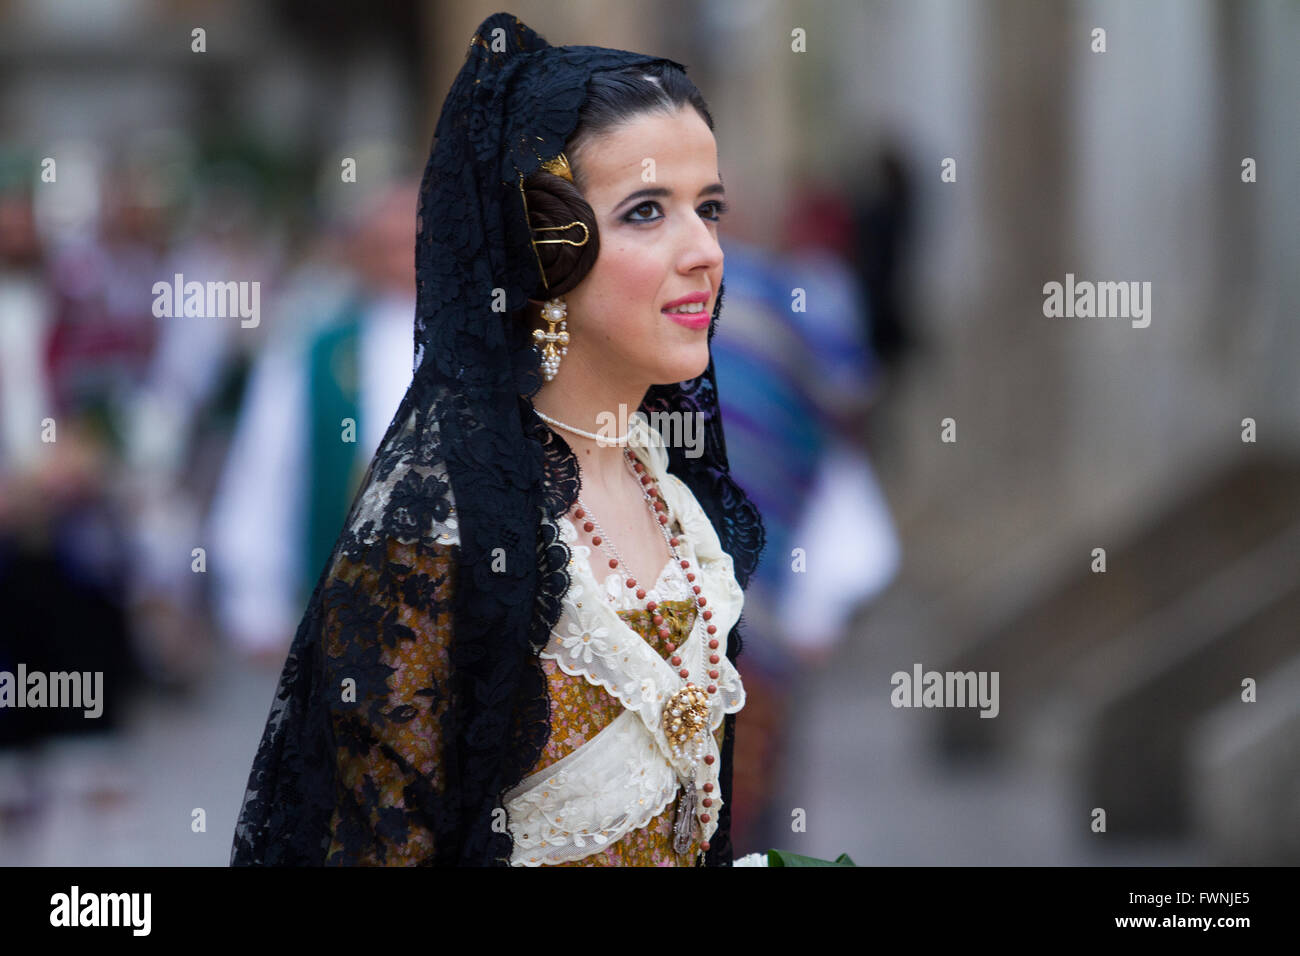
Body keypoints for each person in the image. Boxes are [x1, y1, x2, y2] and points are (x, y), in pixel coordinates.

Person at [230, 12, 764, 867]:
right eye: (646, 212)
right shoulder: (442, 524)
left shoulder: (674, 496)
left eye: (709, 208)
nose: (703, 250)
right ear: (542, 245)